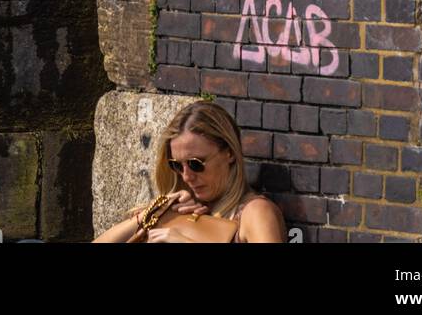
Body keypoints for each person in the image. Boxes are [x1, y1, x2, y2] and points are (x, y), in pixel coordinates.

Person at [92, 100, 287, 244]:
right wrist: (152, 213)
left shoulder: (255, 212)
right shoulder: (180, 210)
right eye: (177, 165)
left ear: (229, 153)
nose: (186, 176)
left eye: (196, 164)